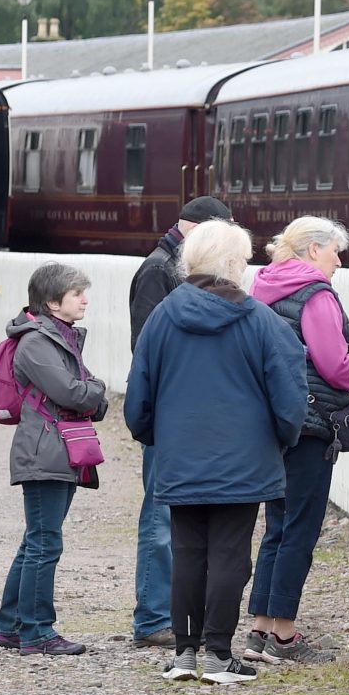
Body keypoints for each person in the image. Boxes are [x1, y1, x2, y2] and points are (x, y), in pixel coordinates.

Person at [125, 219, 307, 685]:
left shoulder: (162, 317)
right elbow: (290, 396)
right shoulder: (261, 321)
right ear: (229, 264)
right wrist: (282, 439)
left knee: (188, 553)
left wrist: (156, 437)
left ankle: (185, 654)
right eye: (243, 260)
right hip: (243, 460)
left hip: (181, 456)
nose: (246, 268)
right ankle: (219, 655)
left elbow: (139, 395)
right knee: (230, 555)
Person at [245, 217, 349, 664]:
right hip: (312, 422)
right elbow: (333, 364)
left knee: (277, 523)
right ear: (313, 250)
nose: (338, 261)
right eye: (335, 251)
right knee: (301, 526)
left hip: (273, 419)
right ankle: (284, 635)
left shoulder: (263, 287)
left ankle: (260, 628)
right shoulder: (316, 294)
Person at [127, 195, 237, 650]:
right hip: (169, 413)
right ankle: (152, 616)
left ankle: (167, 613)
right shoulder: (159, 270)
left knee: (173, 514)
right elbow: (147, 349)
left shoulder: (166, 266)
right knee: (160, 514)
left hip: (174, 410)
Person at [0, 262, 109, 657]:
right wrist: (95, 388)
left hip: (56, 448)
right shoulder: (37, 343)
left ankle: (10, 625)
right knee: (45, 543)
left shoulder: (59, 338)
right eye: (77, 293)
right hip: (45, 450)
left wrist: (90, 391)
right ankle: (37, 632)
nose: (85, 300)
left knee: (37, 540)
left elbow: (87, 396)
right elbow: (73, 393)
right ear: (52, 302)